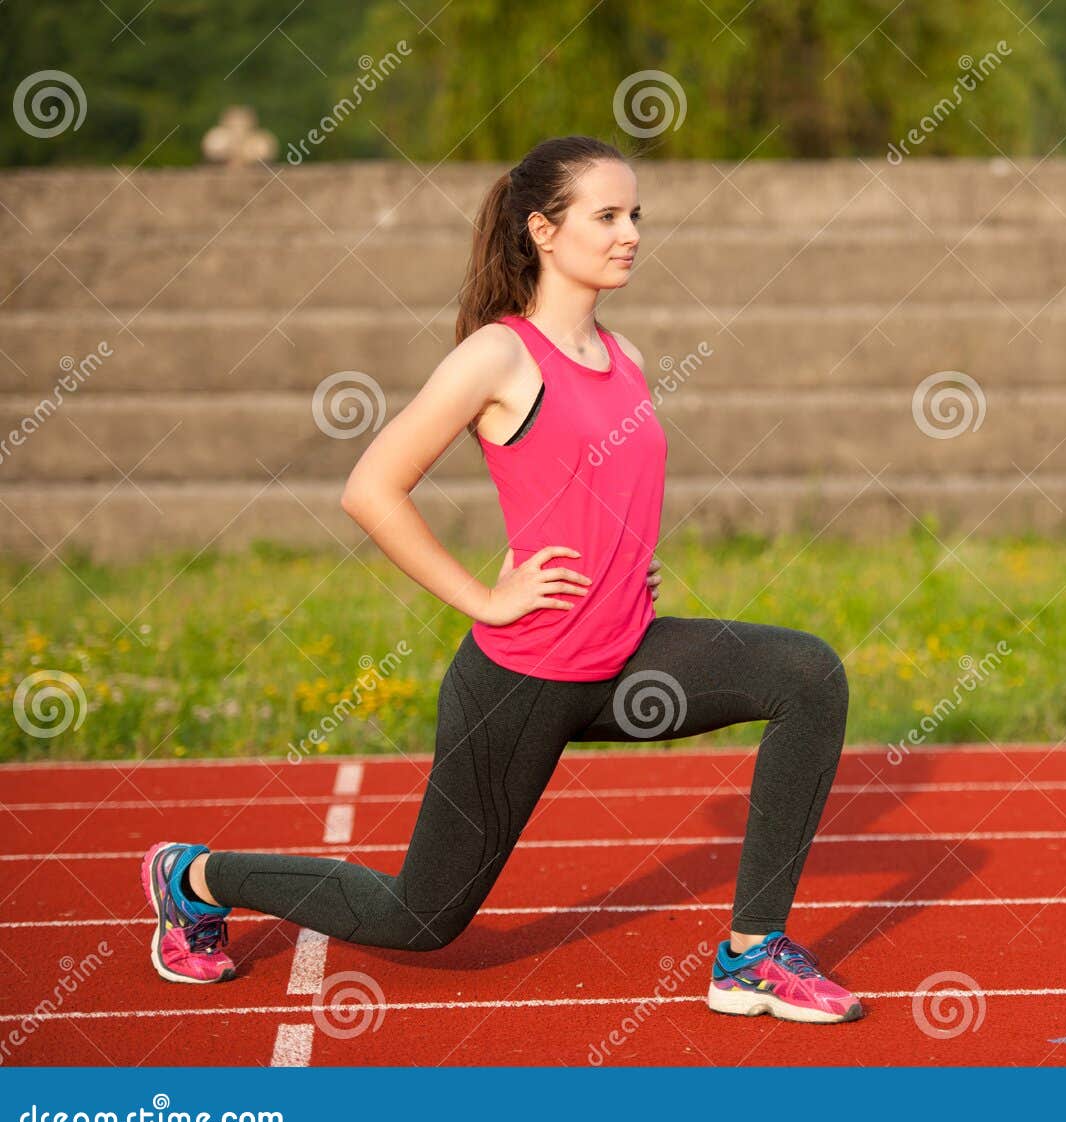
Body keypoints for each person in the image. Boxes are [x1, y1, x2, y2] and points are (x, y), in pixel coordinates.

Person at [139, 134, 862, 1025]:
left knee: (807, 673)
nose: (630, 232)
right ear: (544, 231)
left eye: (636, 214)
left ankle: (752, 955)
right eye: (607, 216)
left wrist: (628, 556)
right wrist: (485, 597)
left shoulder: (624, 354)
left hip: (622, 658)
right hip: (523, 679)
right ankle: (194, 875)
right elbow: (371, 487)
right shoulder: (498, 356)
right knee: (422, 917)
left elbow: (598, 489)